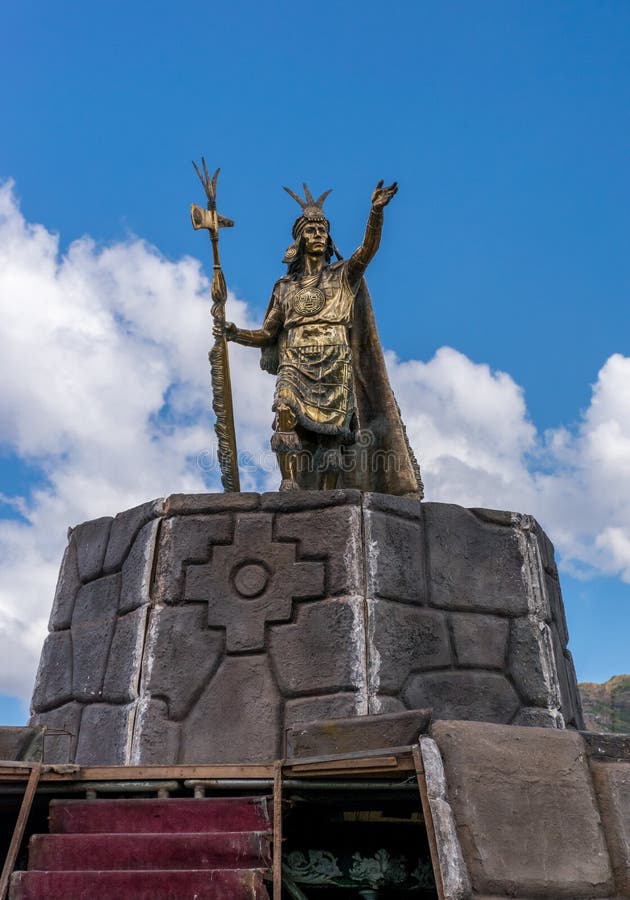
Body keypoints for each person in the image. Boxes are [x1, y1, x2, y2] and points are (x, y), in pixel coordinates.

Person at [215, 181, 423, 497]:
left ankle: (327, 496)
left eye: (323, 231)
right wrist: (234, 334)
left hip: (334, 360)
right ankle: (289, 483)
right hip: (295, 361)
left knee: (331, 437)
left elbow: (367, 250)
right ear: (299, 240)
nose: (318, 235)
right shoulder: (284, 288)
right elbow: (268, 334)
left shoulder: (343, 275)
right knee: (284, 411)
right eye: (311, 231)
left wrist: (375, 212)